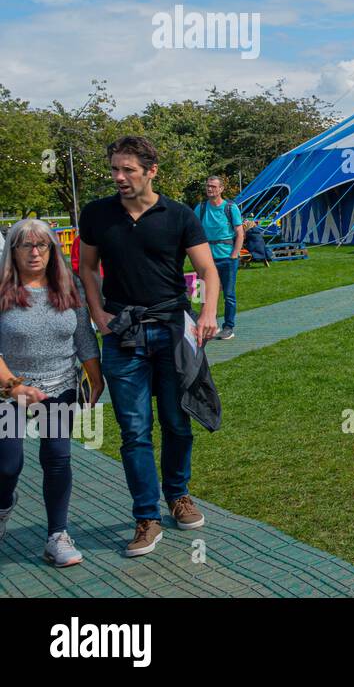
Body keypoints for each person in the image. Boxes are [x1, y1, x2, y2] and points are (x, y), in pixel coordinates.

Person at [77, 135, 221, 557]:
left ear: (151, 171)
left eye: (128, 170)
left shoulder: (178, 215)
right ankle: (146, 517)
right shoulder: (97, 214)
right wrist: (98, 313)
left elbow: (208, 271)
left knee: (178, 422)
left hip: (174, 331)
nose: (119, 177)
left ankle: (177, 495)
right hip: (122, 333)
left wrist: (208, 313)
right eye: (115, 170)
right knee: (134, 430)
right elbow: (86, 268)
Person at [0, 219, 104, 568]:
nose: (34, 252)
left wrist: (96, 378)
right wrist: (14, 387)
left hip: (60, 386)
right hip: (8, 391)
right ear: (11, 250)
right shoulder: (2, 290)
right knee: (7, 465)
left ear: (52, 249)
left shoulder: (68, 285)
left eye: (41, 245)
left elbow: (84, 338)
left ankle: (57, 535)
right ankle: (2, 506)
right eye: (25, 245)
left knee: (57, 458)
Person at [194, 175, 243, 341]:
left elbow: (239, 233)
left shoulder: (230, 208)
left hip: (227, 258)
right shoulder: (200, 208)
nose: (210, 189)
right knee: (201, 292)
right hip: (206, 259)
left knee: (228, 293)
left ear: (221, 189)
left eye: (213, 186)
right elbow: (193, 232)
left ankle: (228, 327)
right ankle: (205, 323)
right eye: (208, 186)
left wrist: (234, 254)